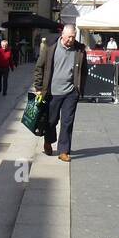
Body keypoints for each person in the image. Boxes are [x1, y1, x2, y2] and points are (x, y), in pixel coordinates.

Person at [31, 24, 88, 162]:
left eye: (73, 37)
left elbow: (84, 70)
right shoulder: (51, 47)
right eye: (69, 37)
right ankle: (48, 141)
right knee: (51, 121)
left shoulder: (80, 50)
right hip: (52, 91)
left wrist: (80, 88)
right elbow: (39, 67)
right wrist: (38, 87)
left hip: (70, 92)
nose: (71, 40)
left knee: (67, 122)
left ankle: (64, 150)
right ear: (62, 35)